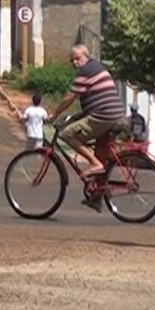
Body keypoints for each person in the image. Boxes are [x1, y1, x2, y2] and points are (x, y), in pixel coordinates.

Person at [49, 45, 128, 205]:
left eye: (78, 58)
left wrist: (54, 115)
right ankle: (97, 197)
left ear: (86, 56)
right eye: (72, 60)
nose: (75, 63)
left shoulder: (86, 71)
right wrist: (71, 118)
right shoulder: (98, 68)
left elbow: (69, 97)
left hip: (103, 116)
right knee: (100, 151)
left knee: (67, 134)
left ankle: (94, 163)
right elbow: (91, 103)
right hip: (112, 114)